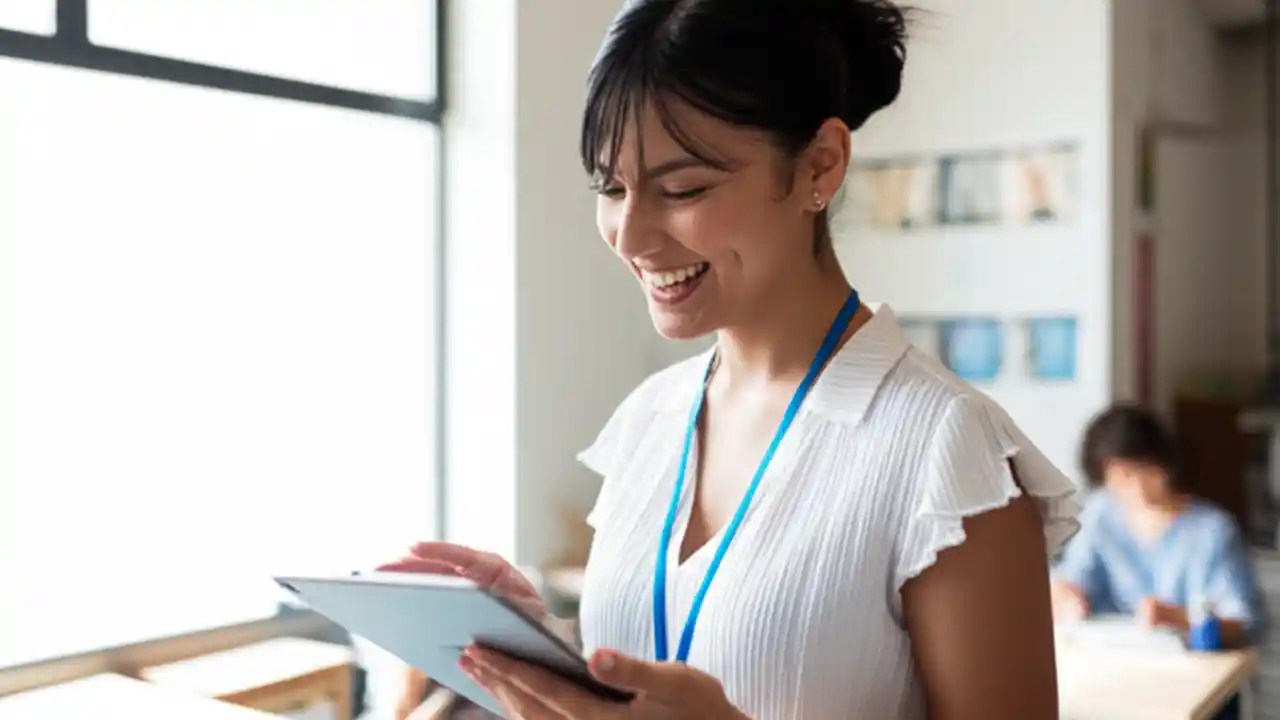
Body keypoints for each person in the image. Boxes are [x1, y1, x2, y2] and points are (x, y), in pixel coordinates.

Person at [385, 1, 1081, 717]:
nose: (630, 235)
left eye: (683, 189)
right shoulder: (648, 422)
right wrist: (548, 650)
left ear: (820, 166)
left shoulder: (946, 452)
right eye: (611, 188)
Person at [1051, 404, 1264, 647]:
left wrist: (1177, 618)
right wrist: (1066, 596)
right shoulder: (1100, 514)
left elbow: (1244, 624)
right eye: (1124, 477)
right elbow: (1074, 578)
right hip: (1119, 660)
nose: (1139, 488)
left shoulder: (1212, 531)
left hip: (1194, 669)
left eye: (1146, 472)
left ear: (1166, 464)